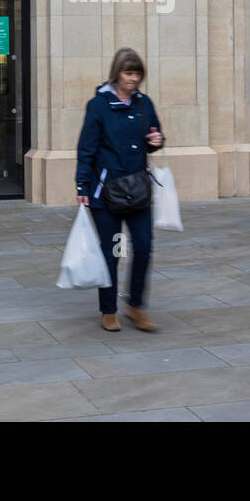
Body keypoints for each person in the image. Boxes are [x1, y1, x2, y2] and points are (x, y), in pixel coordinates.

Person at [75, 48, 165, 333]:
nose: (133, 79)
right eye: (128, 73)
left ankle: (136, 306)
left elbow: (155, 136)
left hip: (138, 188)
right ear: (117, 73)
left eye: (137, 74)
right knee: (110, 252)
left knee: (143, 247)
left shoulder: (144, 103)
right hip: (106, 191)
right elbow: (86, 148)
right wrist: (82, 185)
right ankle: (109, 310)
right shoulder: (99, 105)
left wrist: (156, 140)